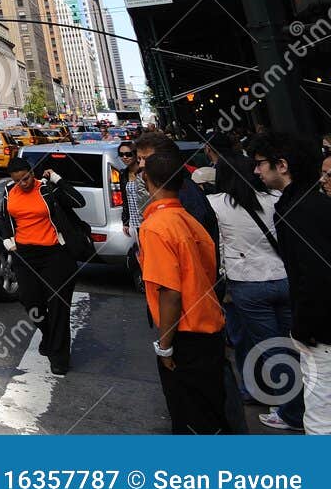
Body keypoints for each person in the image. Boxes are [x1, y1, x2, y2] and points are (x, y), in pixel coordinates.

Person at [199, 142, 301, 431]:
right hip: (283, 277)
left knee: (266, 345)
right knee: (289, 342)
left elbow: (216, 246)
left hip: (247, 284)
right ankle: (290, 398)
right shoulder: (275, 197)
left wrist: (221, 284)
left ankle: (291, 409)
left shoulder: (216, 204)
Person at [139, 146, 229, 434]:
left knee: (189, 418)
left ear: (147, 181)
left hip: (186, 335)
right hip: (210, 326)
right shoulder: (189, 219)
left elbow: (170, 292)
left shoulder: (156, 226)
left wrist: (165, 345)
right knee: (211, 411)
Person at [253, 135, 331, 435]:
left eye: (260, 164)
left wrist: (306, 327)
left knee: (320, 420)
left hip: (321, 334)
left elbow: (314, 274)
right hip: (319, 329)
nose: (257, 172)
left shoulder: (299, 210)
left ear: (282, 165)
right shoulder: (307, 203)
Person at [1, 157, 87, 375]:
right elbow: (5, 217)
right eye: (18, 180)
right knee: (31, 302)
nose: (24, 183)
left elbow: (78, 201)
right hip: (25, 255)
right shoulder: (9, 191)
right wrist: (7, 239)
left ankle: (59, 358)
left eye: (26, 177)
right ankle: (49, 337)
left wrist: (57, 179)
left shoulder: (47, 189)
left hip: (55, 254)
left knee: (58, 306)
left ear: (33, 172)